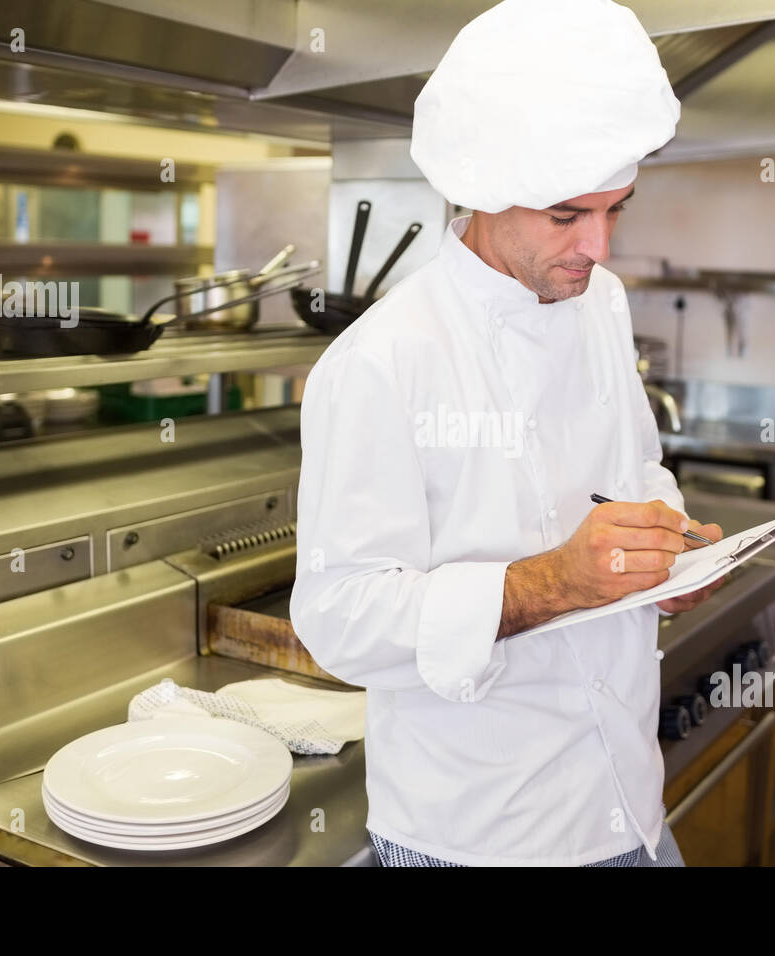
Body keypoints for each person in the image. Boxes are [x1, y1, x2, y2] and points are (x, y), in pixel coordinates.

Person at [289, 0, 724, 867]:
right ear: (483, 193)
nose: (597, 245)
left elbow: (638, 464)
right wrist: (550, 583)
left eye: (617, 209)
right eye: (567, 215)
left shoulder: (597, 301)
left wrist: (665, 541)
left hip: (627, 796)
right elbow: (338, 619)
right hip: (482, 833)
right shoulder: (381, 360)